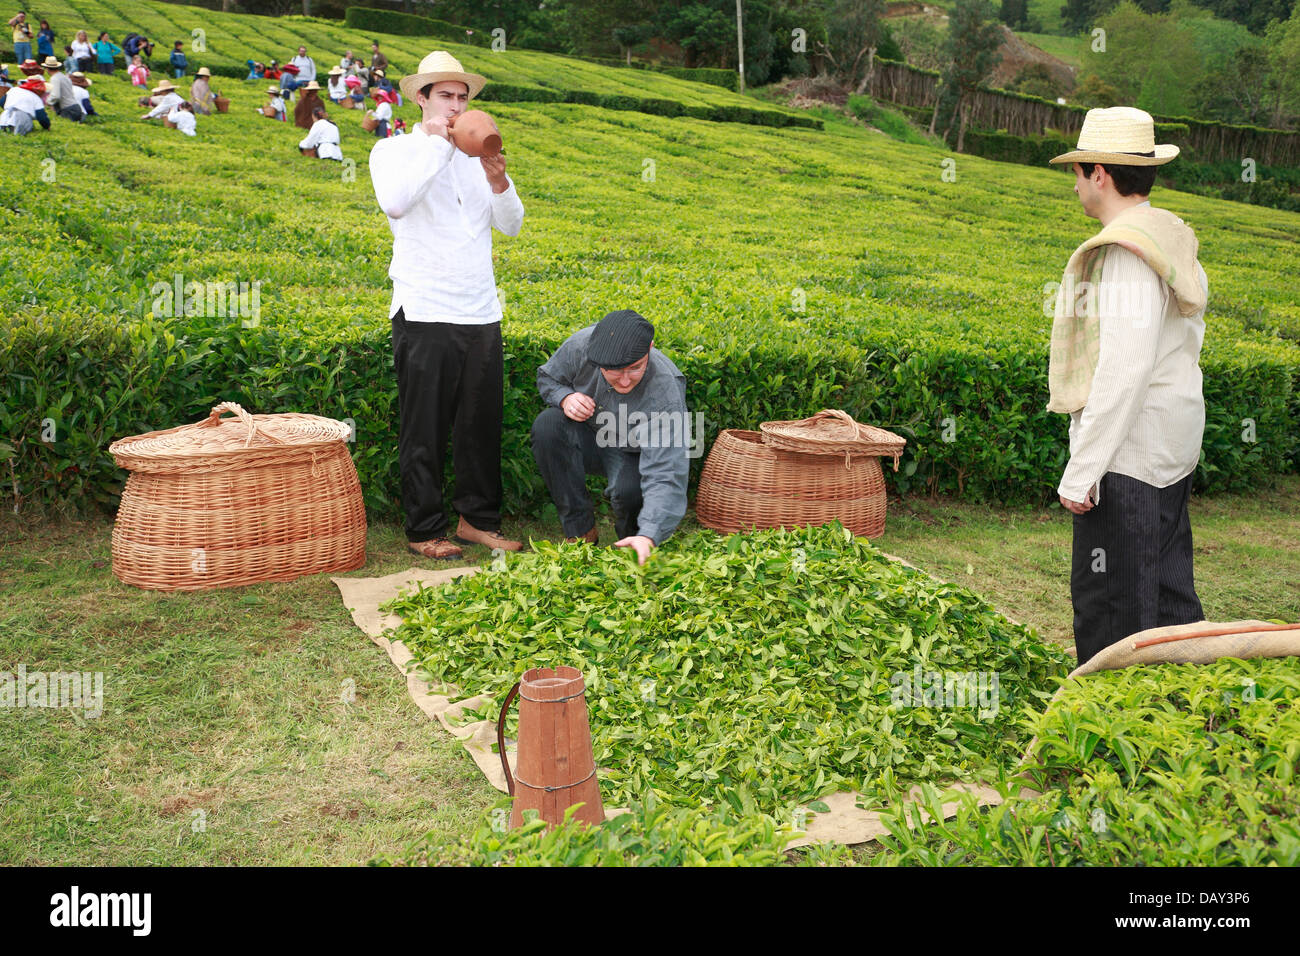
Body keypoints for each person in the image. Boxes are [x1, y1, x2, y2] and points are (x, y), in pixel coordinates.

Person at [1045, 107, 1209, 666]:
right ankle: (1190, 719)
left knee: (1112, 608)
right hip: (1170, 446)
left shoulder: (1128, 253)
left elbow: (1125, 370)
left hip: (1130, 456)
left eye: (1078, 172)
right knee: (1167, 598)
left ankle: (1111, 736)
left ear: (1100, 174)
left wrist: (1084, 468)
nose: (1075, 187)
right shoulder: (1169, 236)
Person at [369, 50, 526, 560]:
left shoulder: (478, 158)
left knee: (480, 423)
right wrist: (439, 145)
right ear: (421, 99)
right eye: (446, 96)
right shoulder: (393, 152)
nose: (457, 106)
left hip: (480, 310)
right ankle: (423, 528)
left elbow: (512, 224)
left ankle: (476, 521)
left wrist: (498, 179)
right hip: (424, 307)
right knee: (426, 427)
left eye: (462, 97)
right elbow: (396, 202)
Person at [532, 311, 691, 564]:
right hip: (591, 435)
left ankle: (634, 543)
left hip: (636, 452)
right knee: (548, 425)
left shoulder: (665, 392)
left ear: (649, 348)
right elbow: (549, 377)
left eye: (635, 368)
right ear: (594, 357)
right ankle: (580, 531)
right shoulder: (581, 345)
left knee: (628, 491)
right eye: (614, 371)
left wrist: (649, 533)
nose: (625, 381)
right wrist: (565, 397)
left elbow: (666, 472)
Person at [41, 55, 81, 121]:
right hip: (75, 107)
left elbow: (55, 96)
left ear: (47, 68)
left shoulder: (54, 78)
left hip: (67, 109)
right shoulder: (65, 77)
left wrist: (47, 102)